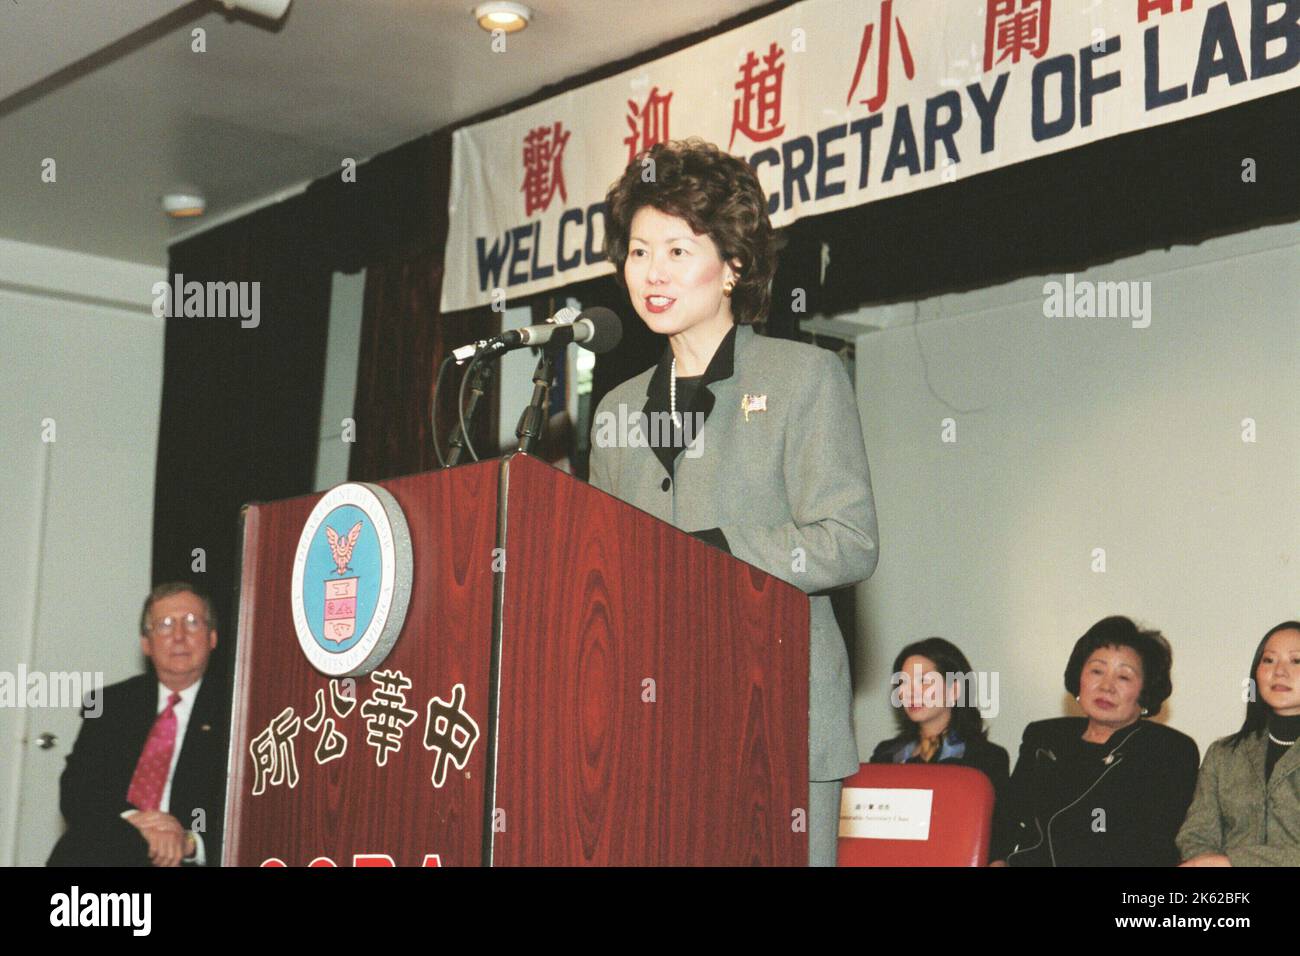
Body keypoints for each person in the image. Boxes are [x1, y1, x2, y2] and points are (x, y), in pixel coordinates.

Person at [588, 138, 879, 866]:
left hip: (773, 720)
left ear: (735, 267)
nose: (651, 272)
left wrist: (714, 552)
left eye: (678, 251)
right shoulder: (615, 412)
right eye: (637, 251)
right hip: (649, 728)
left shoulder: (802, 378)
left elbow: (848, 540)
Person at [990, 616, 1199, 866]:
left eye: (1124, 677)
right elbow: (1007, 819)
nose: (1106, 686)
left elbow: (1154, 846)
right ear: (1079, 678)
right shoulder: (1043, 737)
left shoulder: (1168, 750)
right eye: (1097, 671)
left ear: (1145, 691)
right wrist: (997, 860)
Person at [48, 582, 228, 866]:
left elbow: (251, 812)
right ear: (146, 643)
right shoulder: (110, 704)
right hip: (108, 849)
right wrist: (137, 824)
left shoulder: (236, 712)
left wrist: (188, 842)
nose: (179, 636)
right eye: (166, 625)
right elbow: (76, 791)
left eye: (192, 623)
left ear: (213, 636)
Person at [1177, 620, 1300, 866]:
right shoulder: (1223, 755)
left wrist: (1234, 862)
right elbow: (1195, 836)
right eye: (1269, 660)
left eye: (1296, 661)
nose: (1280, 671)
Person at [871, 638, 1009, 802]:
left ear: (954, 690)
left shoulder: (987, 758)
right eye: (903, 682)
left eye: (923, 681)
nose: (909, 692)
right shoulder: (885, 755)